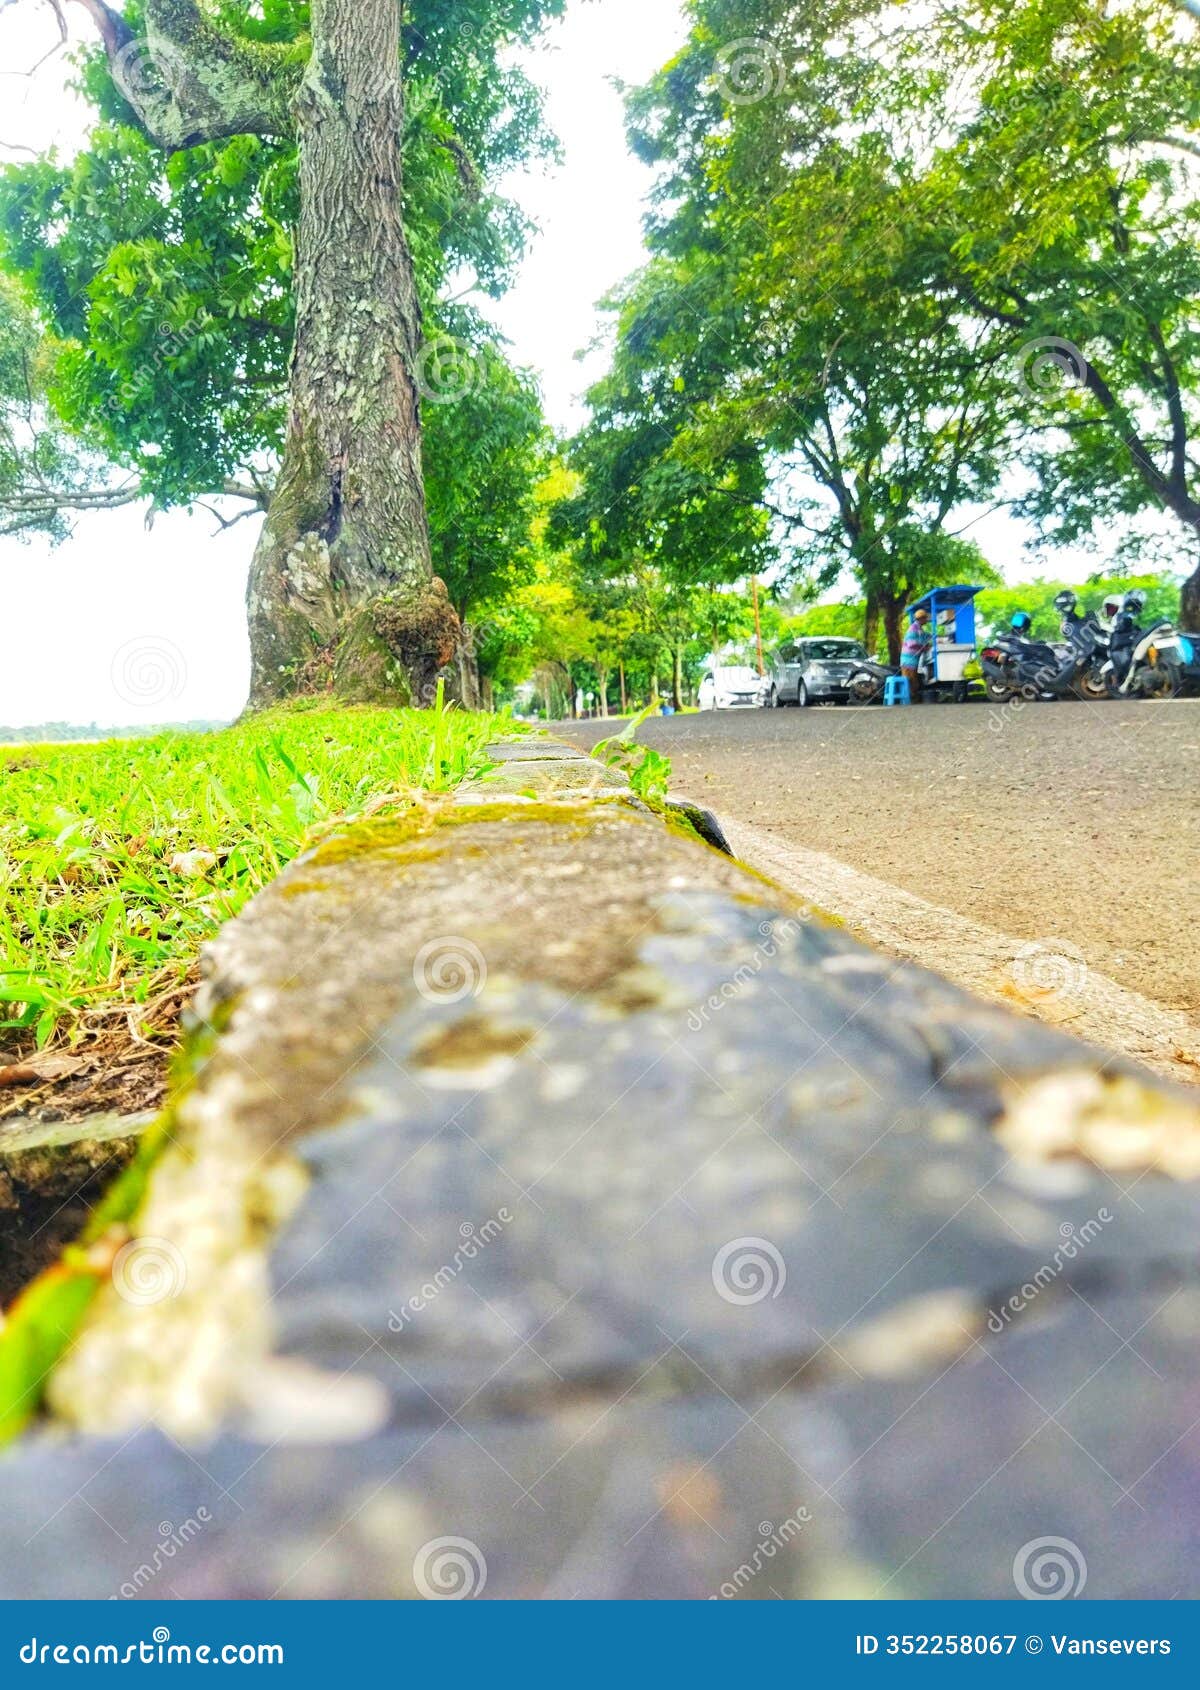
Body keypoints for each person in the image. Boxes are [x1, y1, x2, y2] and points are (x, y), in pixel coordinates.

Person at [901, 607, 933, 701]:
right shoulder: (913, 628)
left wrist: (933, 637)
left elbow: (926, 636)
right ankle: (911, 701)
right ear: (921, 618)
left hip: (913, 661)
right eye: (925, 618)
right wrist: (924, 647)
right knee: (911, 681)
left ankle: (912, 699)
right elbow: (912, 644)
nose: (927, 620)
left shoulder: (919, 629)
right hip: (908, 661)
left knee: (914, 680)